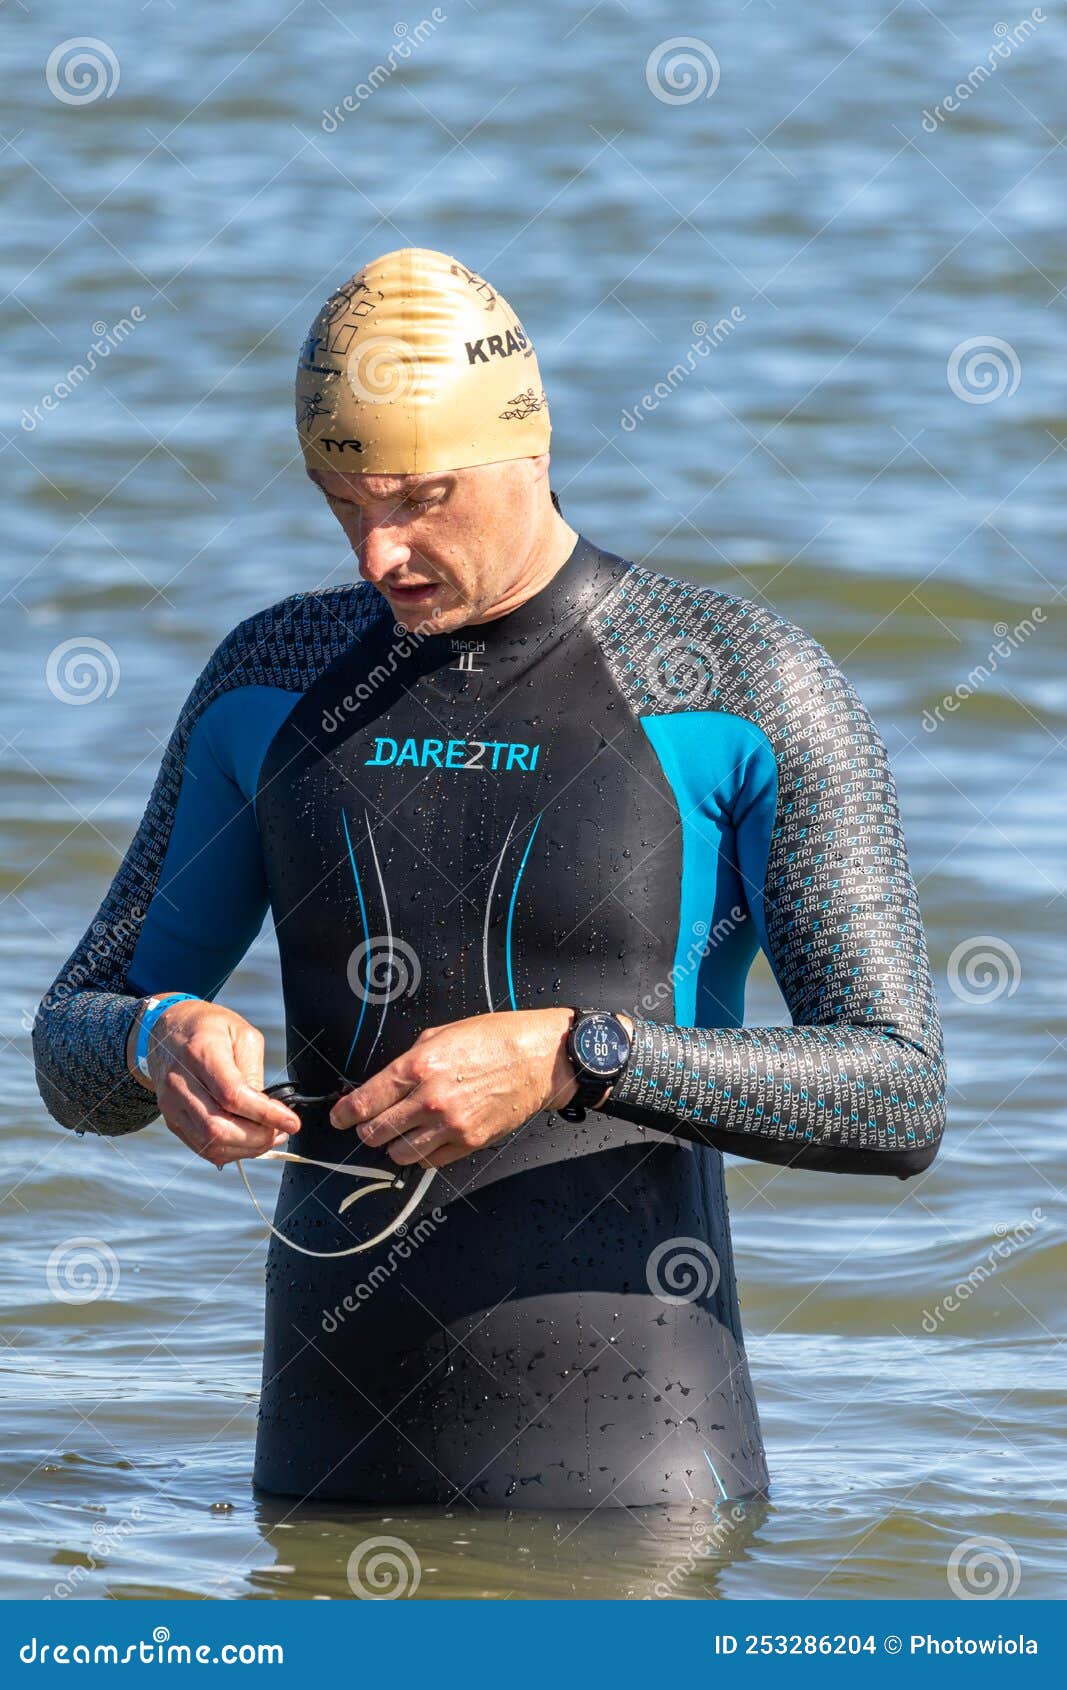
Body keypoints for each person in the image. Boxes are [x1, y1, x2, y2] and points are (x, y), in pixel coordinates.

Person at [33, 247, 945, 1509]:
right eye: (342, 503)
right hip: (312, 1504)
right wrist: (156, 1039)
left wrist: (583, 1056)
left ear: (529, 449)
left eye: (421, 499)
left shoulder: (736, 682)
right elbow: (68, 1044)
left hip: (636, 1513)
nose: (378, 552)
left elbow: (897, 1094)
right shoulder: (268, 679)